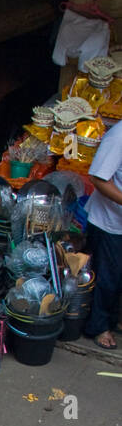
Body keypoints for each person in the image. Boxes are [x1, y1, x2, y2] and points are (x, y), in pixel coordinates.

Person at [85, 114, 122, 349]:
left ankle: (114, 319)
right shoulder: (119, 135)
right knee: (107, 277)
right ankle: (99, 327)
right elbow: (99, 178)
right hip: (109, 221)